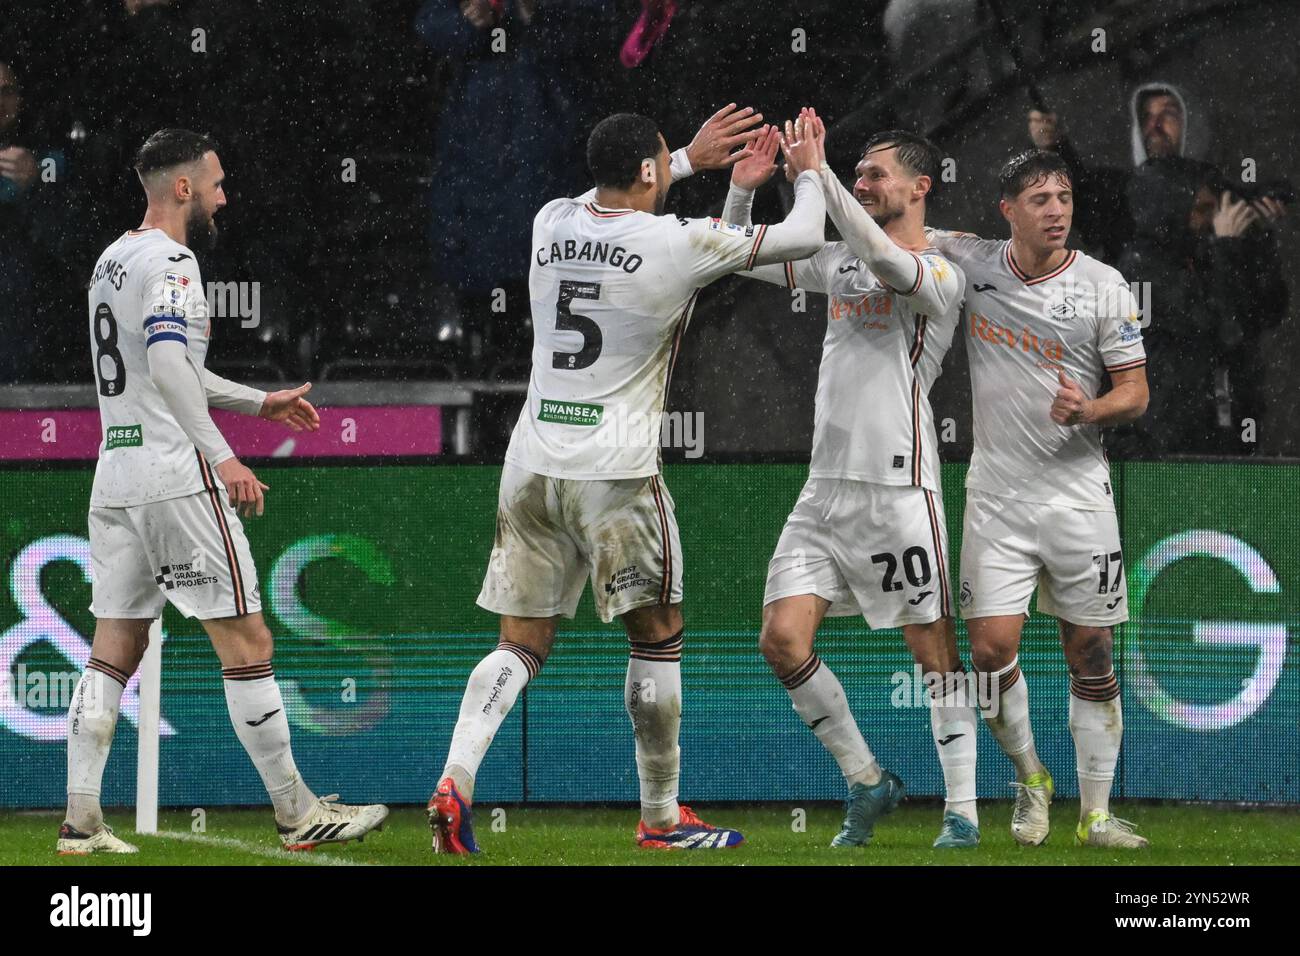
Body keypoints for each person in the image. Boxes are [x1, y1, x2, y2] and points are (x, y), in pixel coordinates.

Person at [428, 104, 827, 853]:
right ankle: (662, 818)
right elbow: (802, 238)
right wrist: (807, 175)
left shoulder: (552, 220)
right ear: (647, 171)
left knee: (521, 641)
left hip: (532, 462)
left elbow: (628, 189)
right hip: (615, 473)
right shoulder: (674, 241)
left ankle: (457, 776)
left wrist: (687, 160)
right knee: (658, 634)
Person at [64, 128, 387, 854]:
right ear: (183, 188)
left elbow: (160, 367)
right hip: (177, 476)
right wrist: (224, 454)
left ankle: (79, 821)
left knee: (114, 646)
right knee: (246, 638)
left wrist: (257, 402)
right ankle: (297, 813)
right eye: (215, 182)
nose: (222, 194)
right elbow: (172, 363)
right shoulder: (175, 260)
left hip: (115, 473)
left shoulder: (113, 259)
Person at [723, 116, 978, 848]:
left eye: (876, 175)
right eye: (857, 175)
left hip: (900, 488)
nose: (864, 184)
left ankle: (961, 810)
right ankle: (868, 782)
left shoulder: (940, 275)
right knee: (780, 639)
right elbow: (741, 257)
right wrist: (744, 194)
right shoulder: (838, 260)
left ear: (920, 187)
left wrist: (818, 176)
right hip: (823, 490)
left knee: (931, 649)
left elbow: (889, 263)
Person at [929, 149, 1151, 849]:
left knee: (1089, 650)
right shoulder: (973, 261)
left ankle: (1096, 814)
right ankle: (1031, 776)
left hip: (1079, 496)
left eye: (1063, 197)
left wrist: (1089, 410)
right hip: (996, 496)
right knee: (991, 652)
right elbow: (898, 229)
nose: (1056, 210)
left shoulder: (1105, 286)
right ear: (1008, 211)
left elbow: (1137, 393)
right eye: (1039, 199)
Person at [1116, 158, 1288, 456]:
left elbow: (1267, 310)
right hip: (1170, 434)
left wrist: (1257, 240)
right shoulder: (1141, 267)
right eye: (1202, 209)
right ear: (1170, 210)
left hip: (1223, 424)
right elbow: (1218, 322)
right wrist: (1228, 247)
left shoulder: (1204, 254)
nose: (1211, 220)